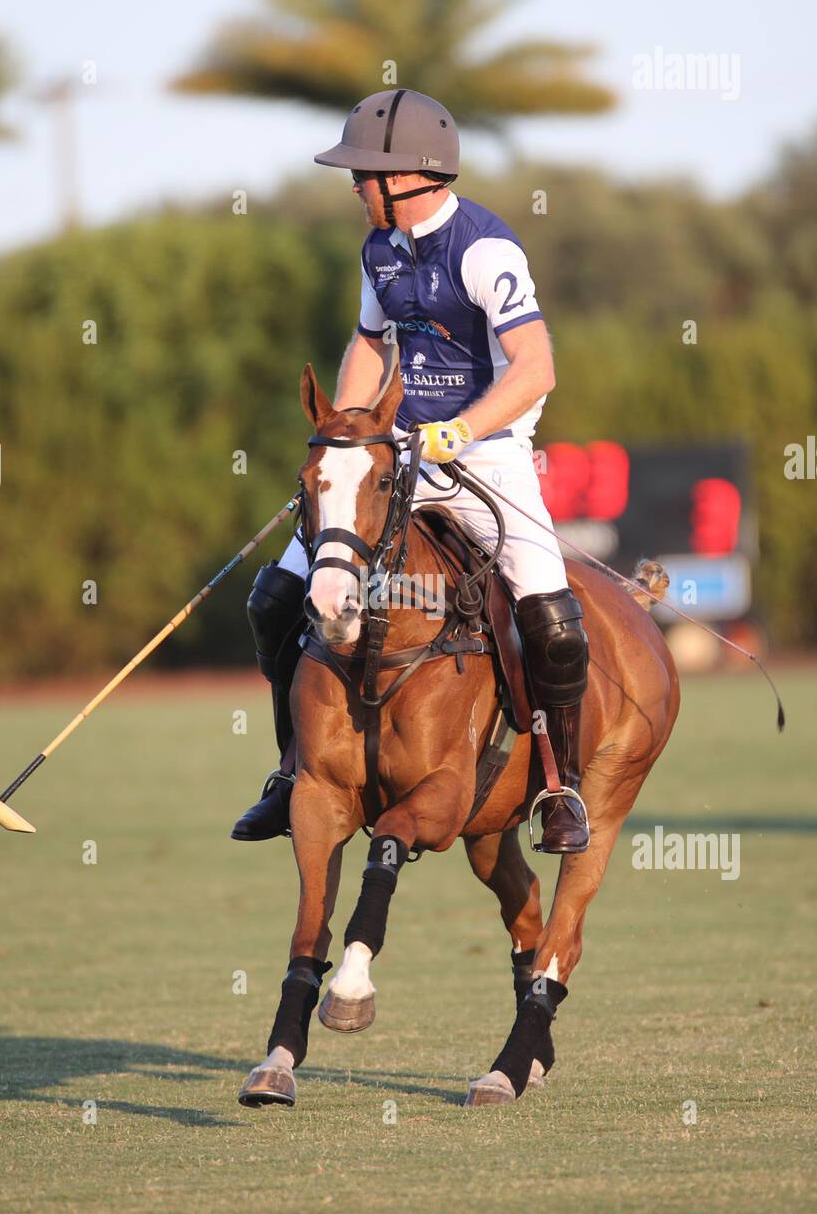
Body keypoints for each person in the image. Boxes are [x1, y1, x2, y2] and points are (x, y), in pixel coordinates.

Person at [231, 88, 589, 854]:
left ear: (405, 178)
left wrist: (458, 431)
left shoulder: (485, 250)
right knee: (275, 599)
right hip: (392, 455)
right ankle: (291, 770)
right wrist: (344, 434)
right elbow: (368, 343)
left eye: (361, 174)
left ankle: (560, 786)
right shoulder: (379, 250)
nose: (353, 186)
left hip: (483, 451)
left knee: (552, 624)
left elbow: (536, 367)